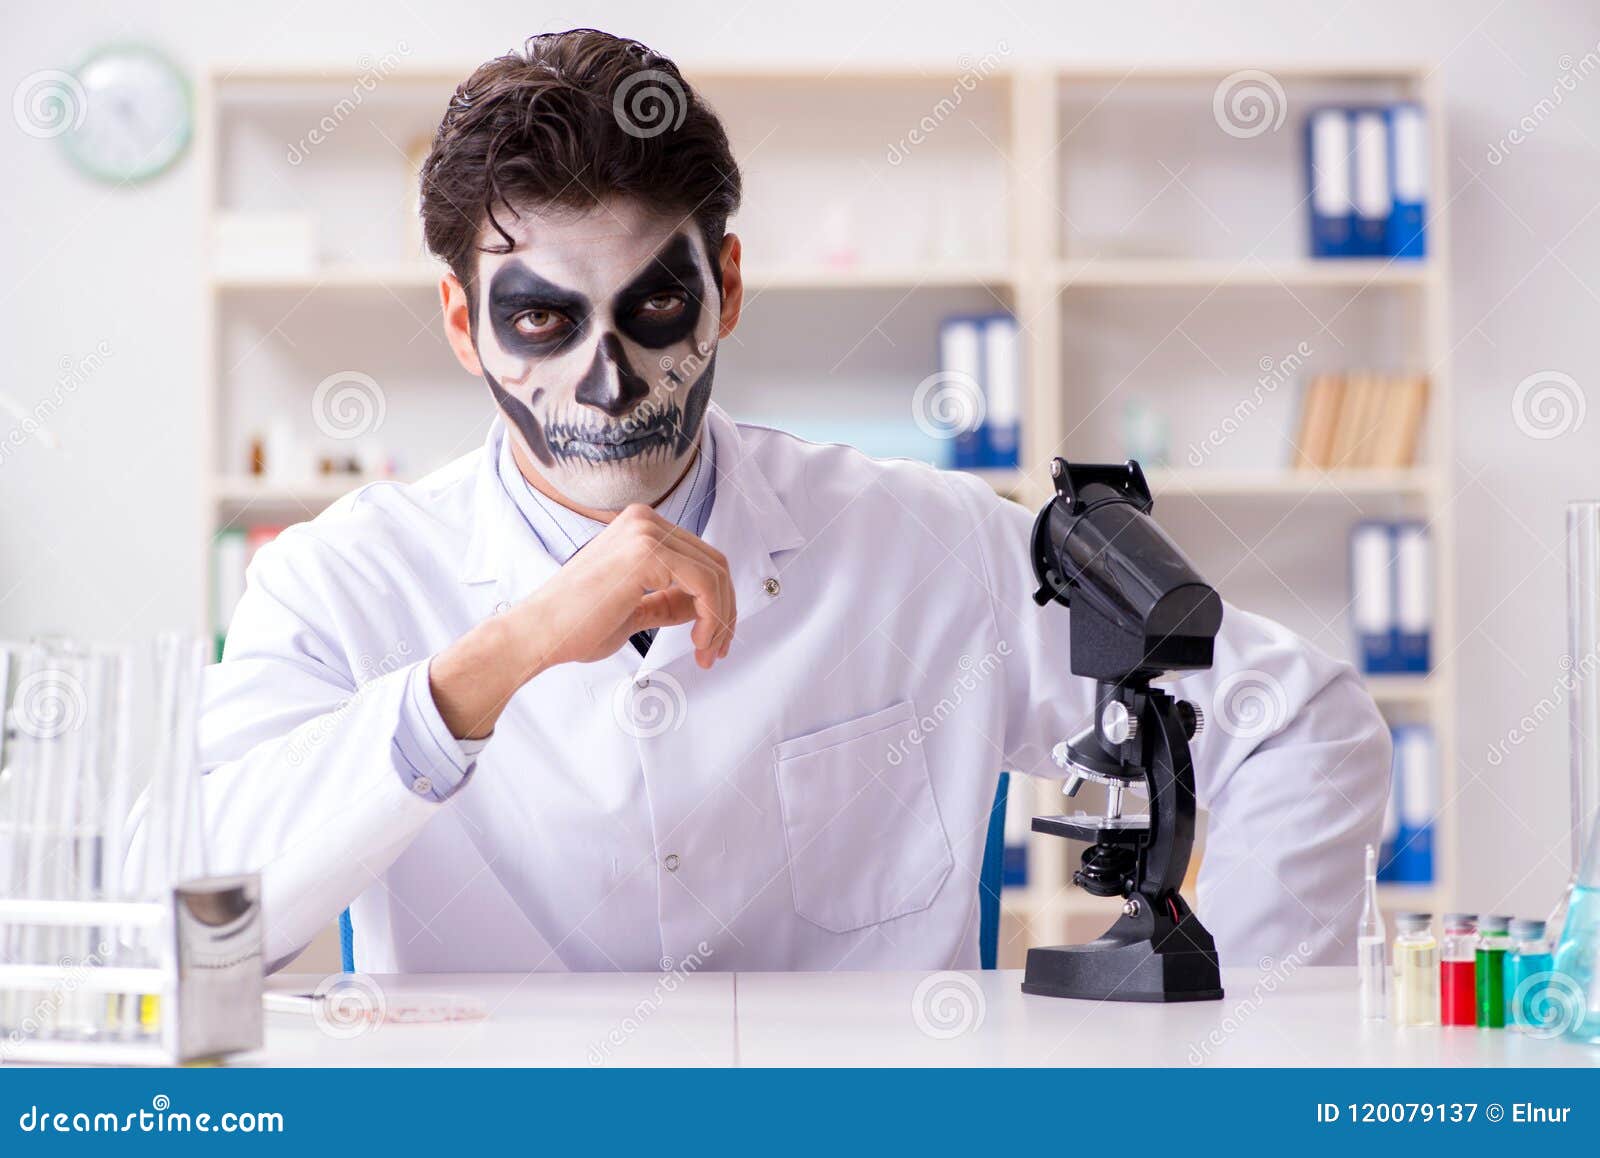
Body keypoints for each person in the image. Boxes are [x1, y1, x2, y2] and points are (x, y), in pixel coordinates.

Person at [184, 29, 1388, 973]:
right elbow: (208, 921)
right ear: (464, 325)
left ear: (728, 288)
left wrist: (1246, 1046)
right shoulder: (339, 578)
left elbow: (1299, 721)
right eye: (543, 319)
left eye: (654, 308)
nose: (604, 383)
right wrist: (501, 659)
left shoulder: (931, 542)